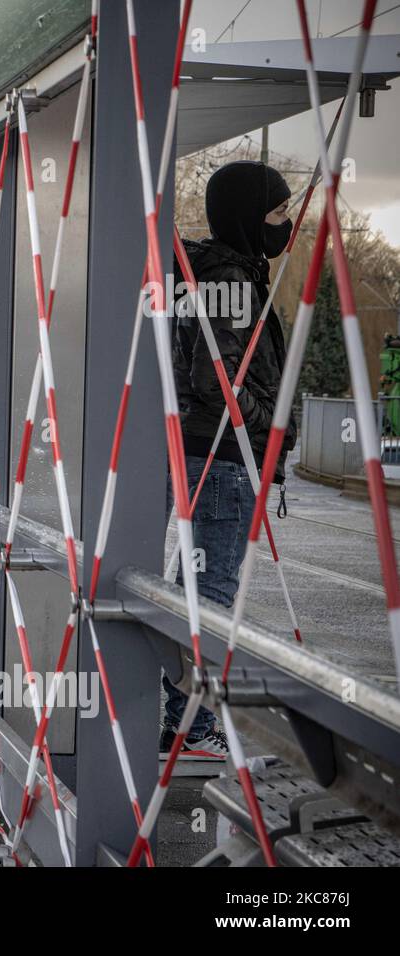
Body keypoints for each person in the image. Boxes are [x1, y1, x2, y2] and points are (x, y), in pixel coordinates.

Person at [166, 159, 298, 758]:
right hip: (225, 456)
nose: (285, 224)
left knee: (191, 589)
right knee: (213, 594)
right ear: (247, 215)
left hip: (207, 452)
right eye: (275, 213)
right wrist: (270, 415)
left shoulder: (216, 272)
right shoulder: (233, 281)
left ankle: (181, 718)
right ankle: (192, 726)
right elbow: (215, 377)